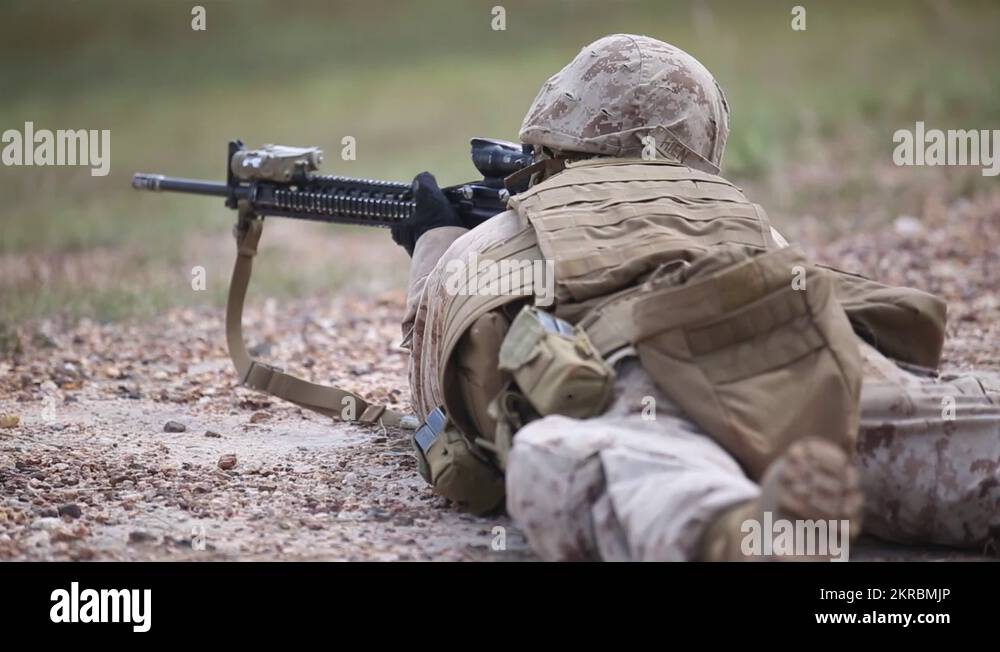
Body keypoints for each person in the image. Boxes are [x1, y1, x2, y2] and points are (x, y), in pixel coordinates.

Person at [391, 34, 1000, 561]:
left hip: (642, 381)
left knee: (587, 459)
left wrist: (433, 240)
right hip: (813, 369)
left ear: (554, 126)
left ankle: (729, 530)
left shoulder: (497, 237)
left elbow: (434, 391)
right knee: (933, 426)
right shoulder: (747, 216)